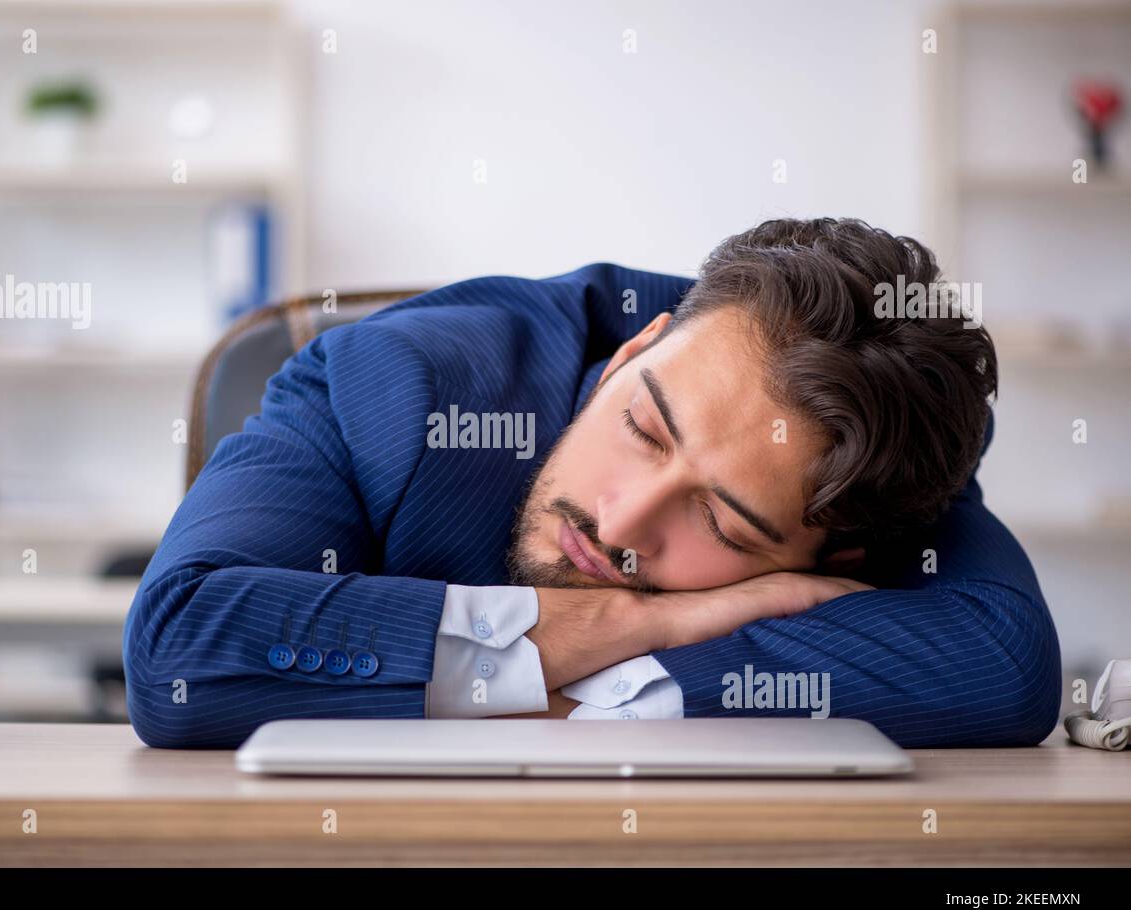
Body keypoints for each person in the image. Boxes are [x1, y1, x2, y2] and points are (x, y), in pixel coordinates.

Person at [123, 218, 1060, 748]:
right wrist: (636, 623)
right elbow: (179, 650)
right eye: (644, 429)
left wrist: (497, 678)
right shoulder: (393, 384)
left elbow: (1006, 667)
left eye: (726, 526)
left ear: (839, 549)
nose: (621, 521)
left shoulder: (884, 444)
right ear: (633, 351)